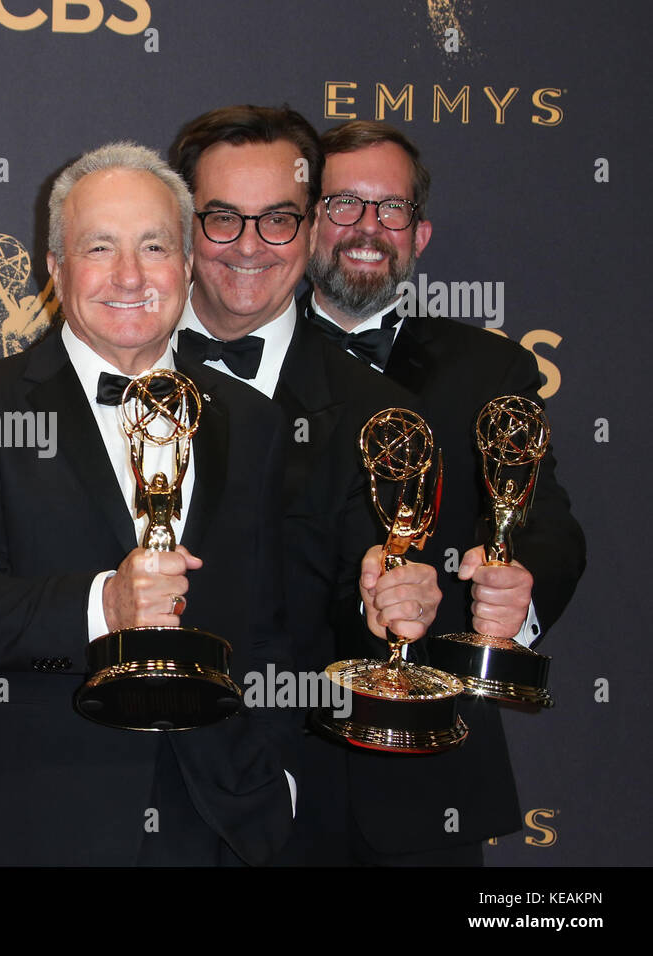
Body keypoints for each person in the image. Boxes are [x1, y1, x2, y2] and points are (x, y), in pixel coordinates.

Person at [0, 141, 296, 865]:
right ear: (55, 268)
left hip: (220, 822)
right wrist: (103, 606)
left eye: (153, 246)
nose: (129, 276)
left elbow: (271, 623)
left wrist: (276, 779)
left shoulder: (253, 420)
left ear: (185, 264)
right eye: (99, 248)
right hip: (41, 821)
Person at [304, 119, 585, 864]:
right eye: (342, 205)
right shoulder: (236, 362)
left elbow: (549, 530)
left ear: (420, 235)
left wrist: (516, 600)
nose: (368, 227)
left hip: (423, 780)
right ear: (302, 224)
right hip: (258, 769)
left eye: (390, 209)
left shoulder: (489, 369)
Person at [167, 105, 441, 865]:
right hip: (124, 789)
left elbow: (366, 605)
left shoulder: (379, 413)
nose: (250, 248)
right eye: (222, 219)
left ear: (315, 226)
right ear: (183, 224)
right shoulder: (108, 378)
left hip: (295, 807)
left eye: (279, 221)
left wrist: (390, 598)